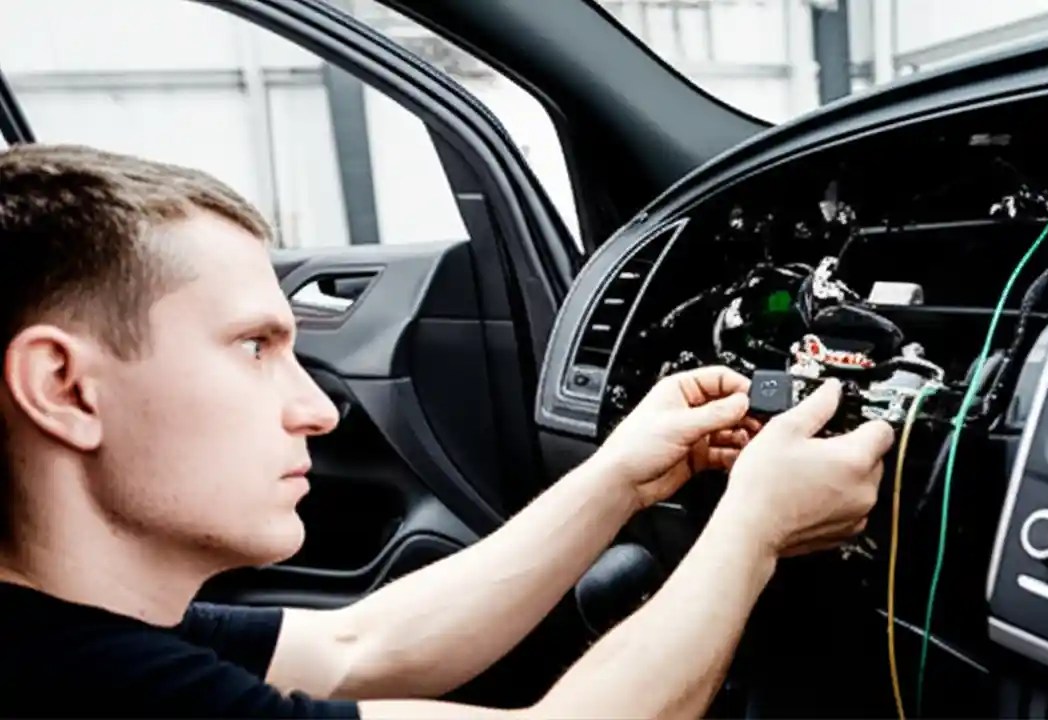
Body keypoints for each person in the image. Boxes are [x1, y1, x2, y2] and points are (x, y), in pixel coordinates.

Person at [0, 143, 895, 719]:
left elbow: (361, 649)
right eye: (254, 348)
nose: (317, 409)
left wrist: (621, 474)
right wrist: (755, 528)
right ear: (64, 388)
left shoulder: (82, 635)